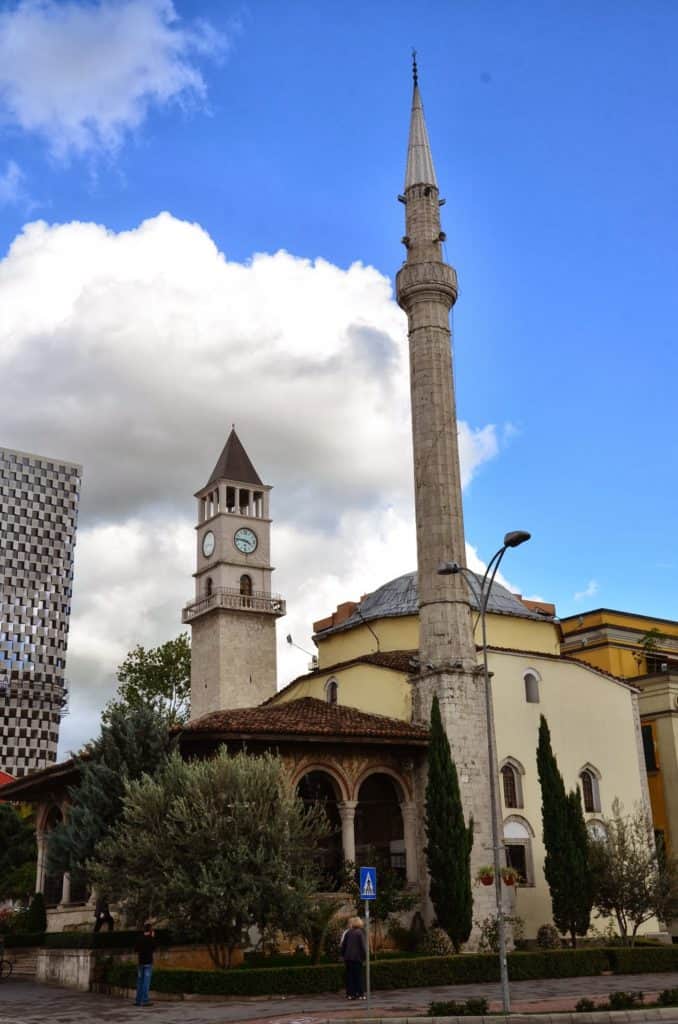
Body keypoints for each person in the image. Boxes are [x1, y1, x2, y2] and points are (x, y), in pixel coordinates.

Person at [340, 916, 367, 1000]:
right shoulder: (360, 933)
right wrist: (365, 957)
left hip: (348, 958)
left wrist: (343, 955)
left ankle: (350, 994)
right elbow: (363, 946)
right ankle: (360, 994)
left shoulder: (348, 932)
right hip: (357, 958)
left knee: (349, 977)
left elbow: (343, 945)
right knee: (358, 976)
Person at [133, 922, 156, 1007]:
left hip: (140, 962)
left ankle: (138, 1000)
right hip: (148, 962)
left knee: (139, 982)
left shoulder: (139, 938)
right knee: (146, 982)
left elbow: (135, 949)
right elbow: (154, 948)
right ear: (150, 930)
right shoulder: (151, 938)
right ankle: (145, 1000)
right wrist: (152, 937)